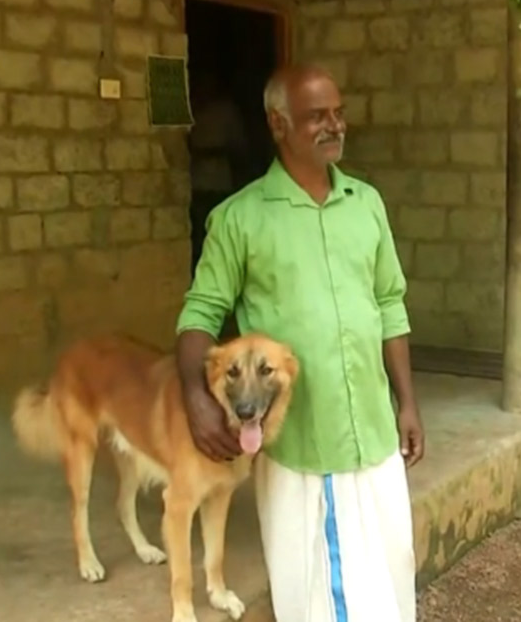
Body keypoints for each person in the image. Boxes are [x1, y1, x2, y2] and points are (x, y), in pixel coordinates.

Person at [174, 63, 424, 622]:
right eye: (317, 116)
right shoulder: (239, 218)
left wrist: (406, 402)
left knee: (391, 571)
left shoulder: (366, 203)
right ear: (278, 124)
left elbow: (389, 302)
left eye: (338, 113)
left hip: (374, 432)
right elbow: (202, 311)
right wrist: (195, 397)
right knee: (324, 594)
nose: (334, 126)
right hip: (306, 444)